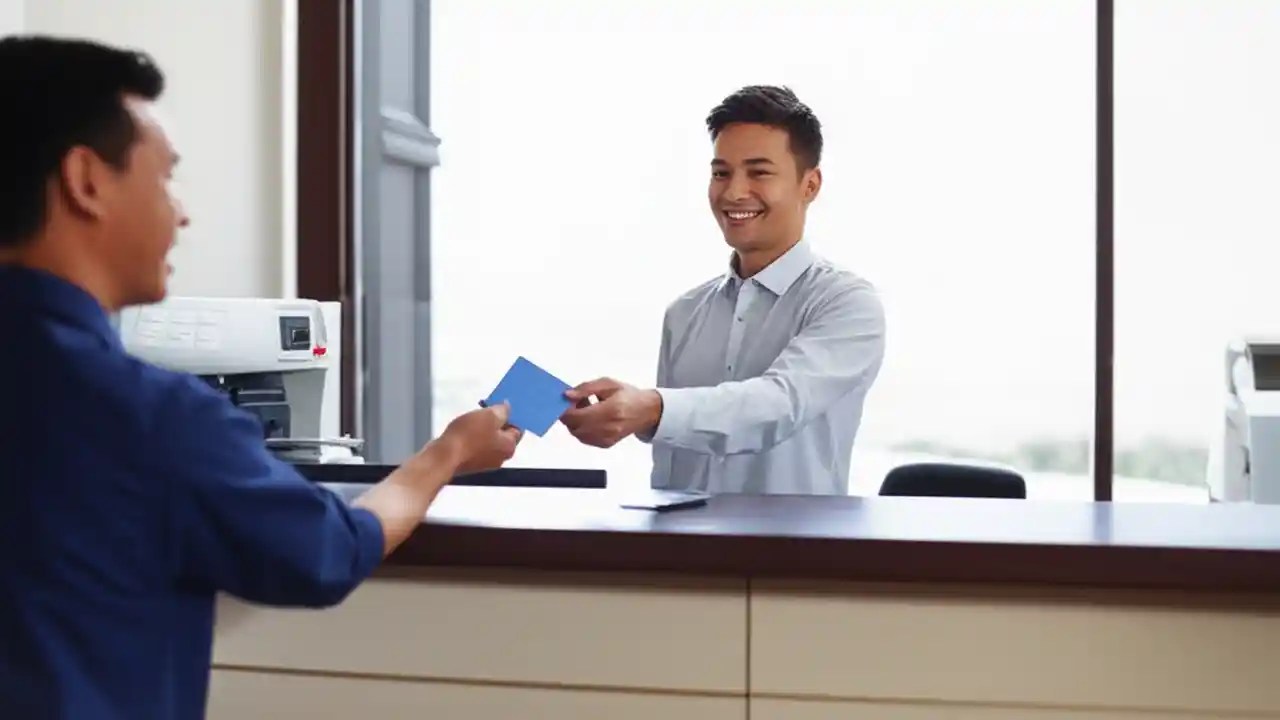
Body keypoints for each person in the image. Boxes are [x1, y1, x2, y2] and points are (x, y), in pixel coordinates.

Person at [0, 36, 520, 719]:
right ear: (87, 180)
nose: (180, 213)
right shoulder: (148, 417)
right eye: (164, 178)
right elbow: (329, 551)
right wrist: (449, 453)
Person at [560, 85, 885, 496]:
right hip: (684, 553)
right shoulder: (685, 311)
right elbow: (671, 462)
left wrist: (652, 408)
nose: (733, 192)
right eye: (721, 173)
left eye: (759, 172)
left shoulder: (846, 303)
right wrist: (628, 415)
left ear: (810, 185)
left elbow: (779, 405)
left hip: (796, 554)